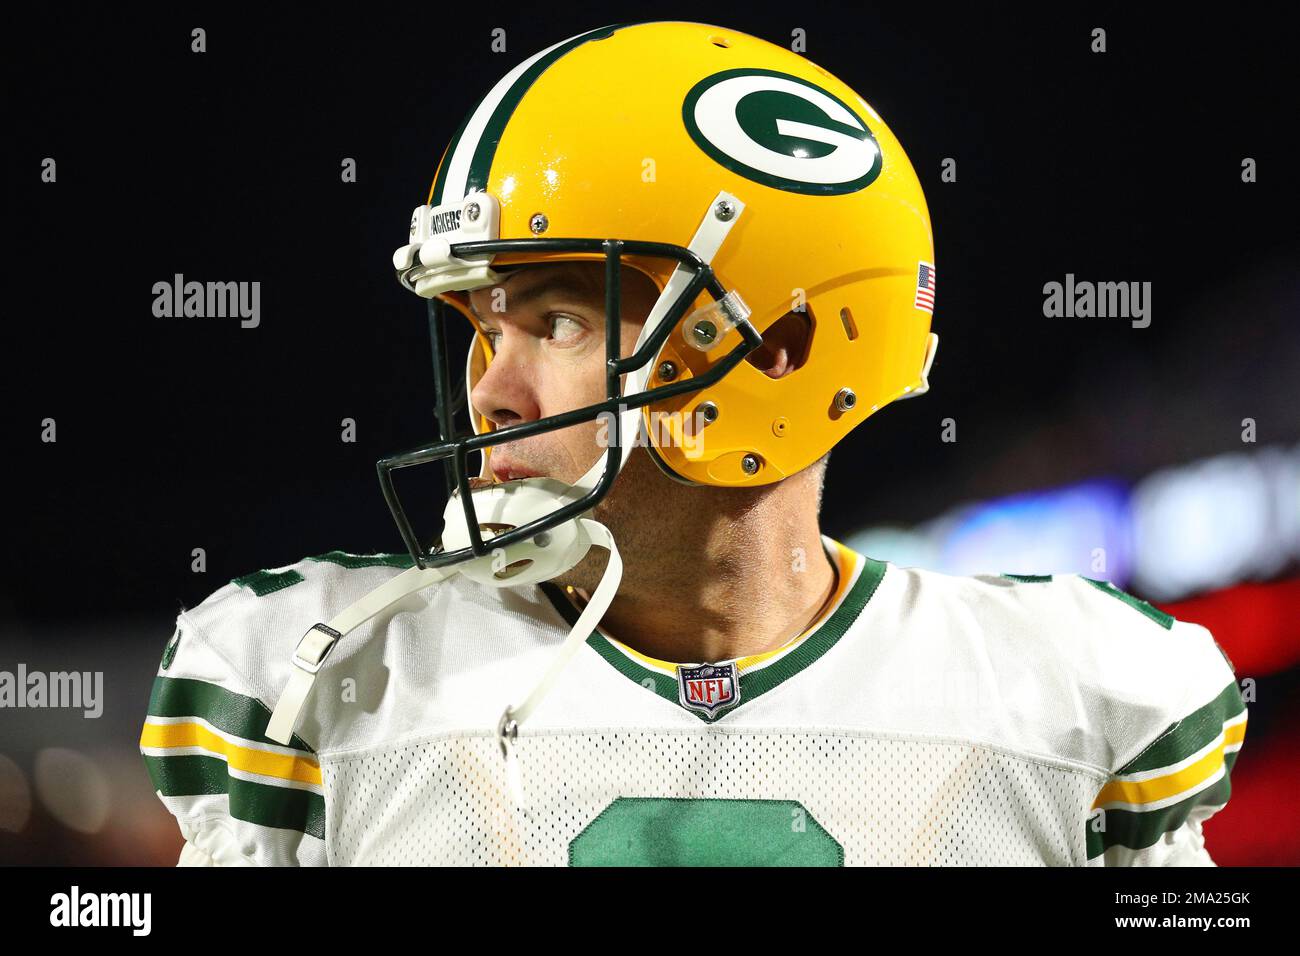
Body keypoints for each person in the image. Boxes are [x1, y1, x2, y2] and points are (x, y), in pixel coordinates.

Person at [140, 20, 1245, 866]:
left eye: (559, 320)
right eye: (481, 328)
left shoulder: (1074, 696)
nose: (493, 394)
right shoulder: (315, 682)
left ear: (780, 347)